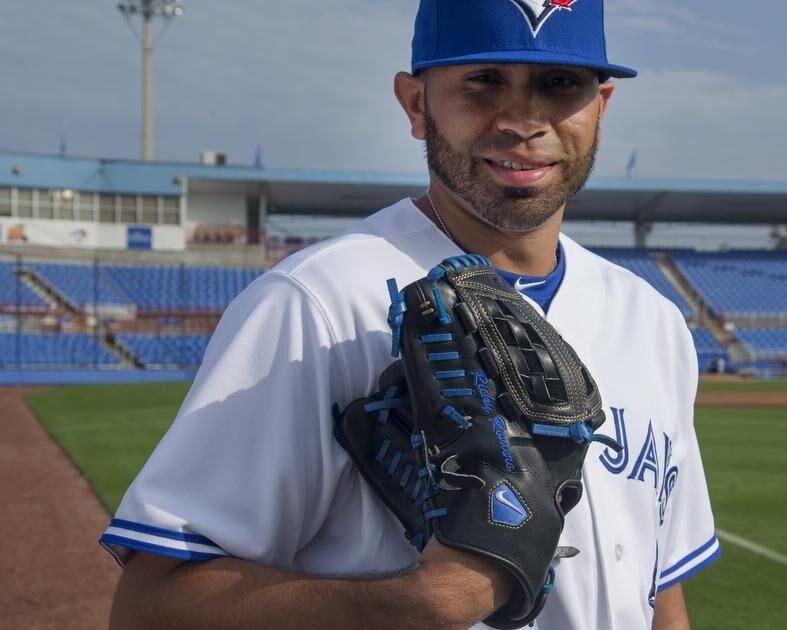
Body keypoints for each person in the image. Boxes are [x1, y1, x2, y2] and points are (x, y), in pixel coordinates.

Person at [101, 1, 720, 628]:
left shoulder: (655, 322)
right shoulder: (317, 302)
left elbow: (660, 588)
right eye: (484, 81)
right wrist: (420, 604)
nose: (525, 120)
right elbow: (150, 608)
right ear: (416, 104)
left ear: (601, 107)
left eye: (560, 84)